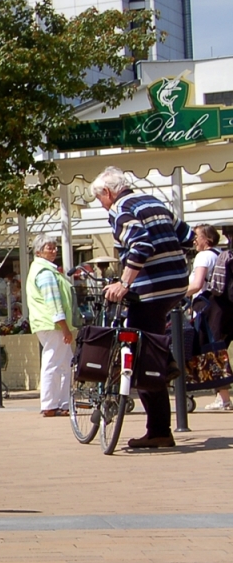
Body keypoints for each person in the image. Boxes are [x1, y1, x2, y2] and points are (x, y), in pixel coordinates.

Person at [93, 166, 194, 448]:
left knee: (140, 357)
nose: (102, 206)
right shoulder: (153, 202)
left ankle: (159, 430)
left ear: (108, 193)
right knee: (149, 340)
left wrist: (124, 283)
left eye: (100, 199)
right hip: (176, 283)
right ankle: (166, 362)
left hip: (151, 289)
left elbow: (140, 245)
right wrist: (172, 261)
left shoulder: (120, 209)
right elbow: (187, 237)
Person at [25, 234, 78, 417]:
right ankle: (50, 404)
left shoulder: (44, 269)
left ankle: (63, 403)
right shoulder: (45, 272)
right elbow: (53, 301)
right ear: (39, 251)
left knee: (65, 363)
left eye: (55, 247)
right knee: (54, 362)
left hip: (48, 323)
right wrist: (64, 327)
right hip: (52, 324)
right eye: (49, 247)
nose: (54, 250)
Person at [186, 224, 232, 410]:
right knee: (217, 349)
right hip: (222, 309)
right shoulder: (217, 253)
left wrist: (178, 295)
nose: (194, 240)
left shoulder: (203, 256)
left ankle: (223, 398)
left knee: (210, 350)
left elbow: (197, 284)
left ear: (208, 239)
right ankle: (222, 396)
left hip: (207, 310)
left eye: (197, 236)